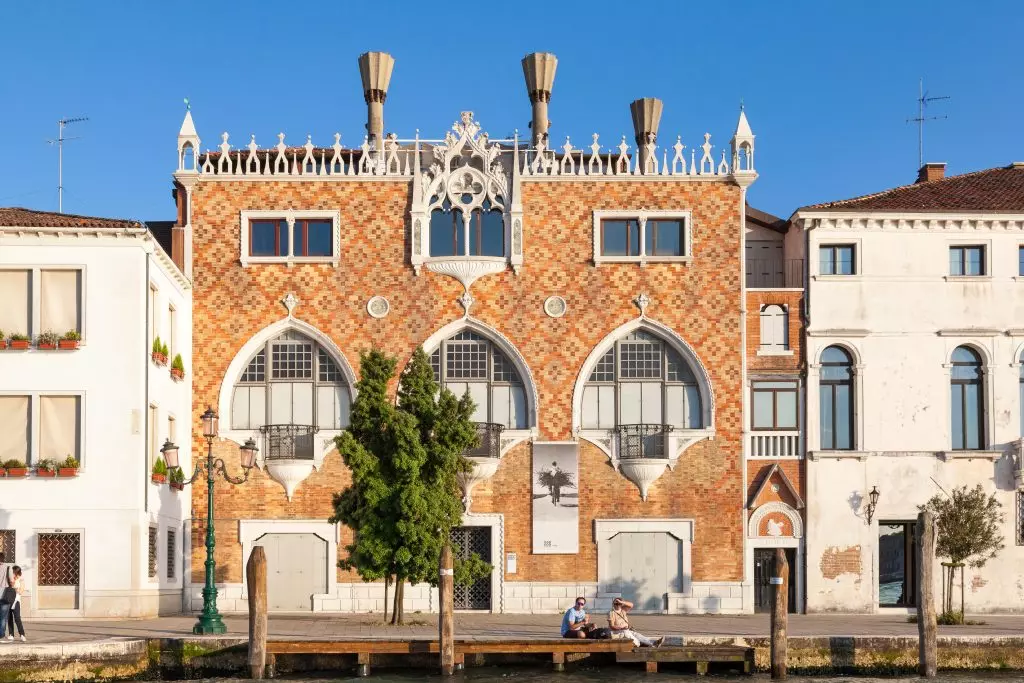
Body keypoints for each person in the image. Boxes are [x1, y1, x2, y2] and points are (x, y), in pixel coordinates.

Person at [6, 566, 24, 641]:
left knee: (17, 618)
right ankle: (11, 634)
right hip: (9, 600)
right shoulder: (11, 579)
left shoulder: (21, 580)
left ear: (17, 573)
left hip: (16, 601)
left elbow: (21, 591)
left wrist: (15, 589)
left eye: (14, 572)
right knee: (9, 618)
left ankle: (22, 634)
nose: (13, 574)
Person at [0, 553, 12, 640]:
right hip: (5, 593)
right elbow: (11, 581)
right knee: (3, 616)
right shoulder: (8, 568)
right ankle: (1, 634)